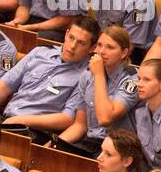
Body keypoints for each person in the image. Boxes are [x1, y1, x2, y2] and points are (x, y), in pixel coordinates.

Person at [0, 17, 98, 134]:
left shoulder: (86, 75)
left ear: (92, 48)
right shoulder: (39, 52)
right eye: (71, 38)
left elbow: (67, 118)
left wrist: (22, 120)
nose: (72, 46)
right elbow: (2, 87)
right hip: (4, 120)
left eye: (81, 43)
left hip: (33, 131)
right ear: (66, 34)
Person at [56, 26, 138, 154]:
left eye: (110, 47)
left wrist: (99, 75)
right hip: (90, 142)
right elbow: (80, 125)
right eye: (99, 45)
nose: (101, 51)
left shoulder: (133, 80)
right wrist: (55, 143)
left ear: (124, 53)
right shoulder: (88, 75)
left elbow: (105, 119)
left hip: (118, 148)